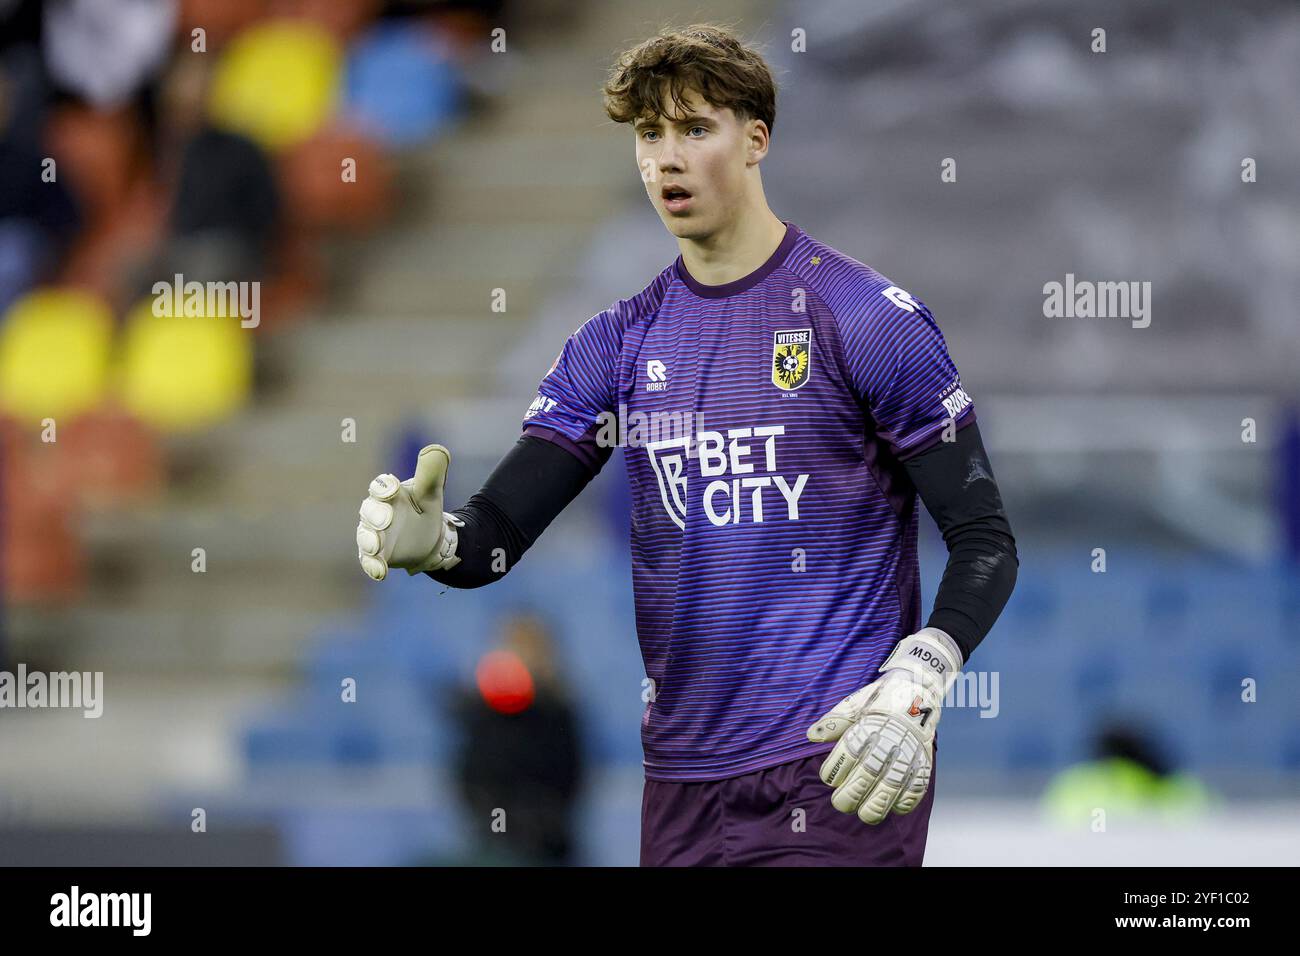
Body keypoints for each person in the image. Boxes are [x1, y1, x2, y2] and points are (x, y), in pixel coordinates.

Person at [356, 24, 1018, 866]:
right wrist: (441, 545)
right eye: (649, 134)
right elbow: (497, 538)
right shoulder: (616, 342)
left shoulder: (865, 319)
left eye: (694, 130)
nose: (667, 158)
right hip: (681, 785)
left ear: (755, 140)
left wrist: (921, 676)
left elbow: (986, 540)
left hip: (838, 765)